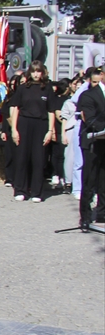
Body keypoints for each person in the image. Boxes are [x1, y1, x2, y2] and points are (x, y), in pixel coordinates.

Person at [9, 62, 58, 202]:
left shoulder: (47, 89)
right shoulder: (23, 88)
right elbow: (16, 108)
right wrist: (14, 129)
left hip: (41, 124)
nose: (36, 74)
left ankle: (37, 192)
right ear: (29, 73)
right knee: (22, 157)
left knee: (39, 159)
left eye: (39, 71)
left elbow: (51, 111)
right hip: (24, 123)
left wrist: (50, 130)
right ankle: (20, 189)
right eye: (34, 71)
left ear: (42, 73)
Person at [76, 66, 105, 228]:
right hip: (92, 142)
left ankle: (102, 212)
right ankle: (85, 216)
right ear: (102, 75)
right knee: (90, 179)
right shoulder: (88, 95)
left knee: (103, 179)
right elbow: (92, 120)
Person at [62, 74, 85, 199]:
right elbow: (64, 119)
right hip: (71, 129)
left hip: (83, 129)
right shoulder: (69, 102)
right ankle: (68, 182)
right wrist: (63, 133)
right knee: (70, 157)